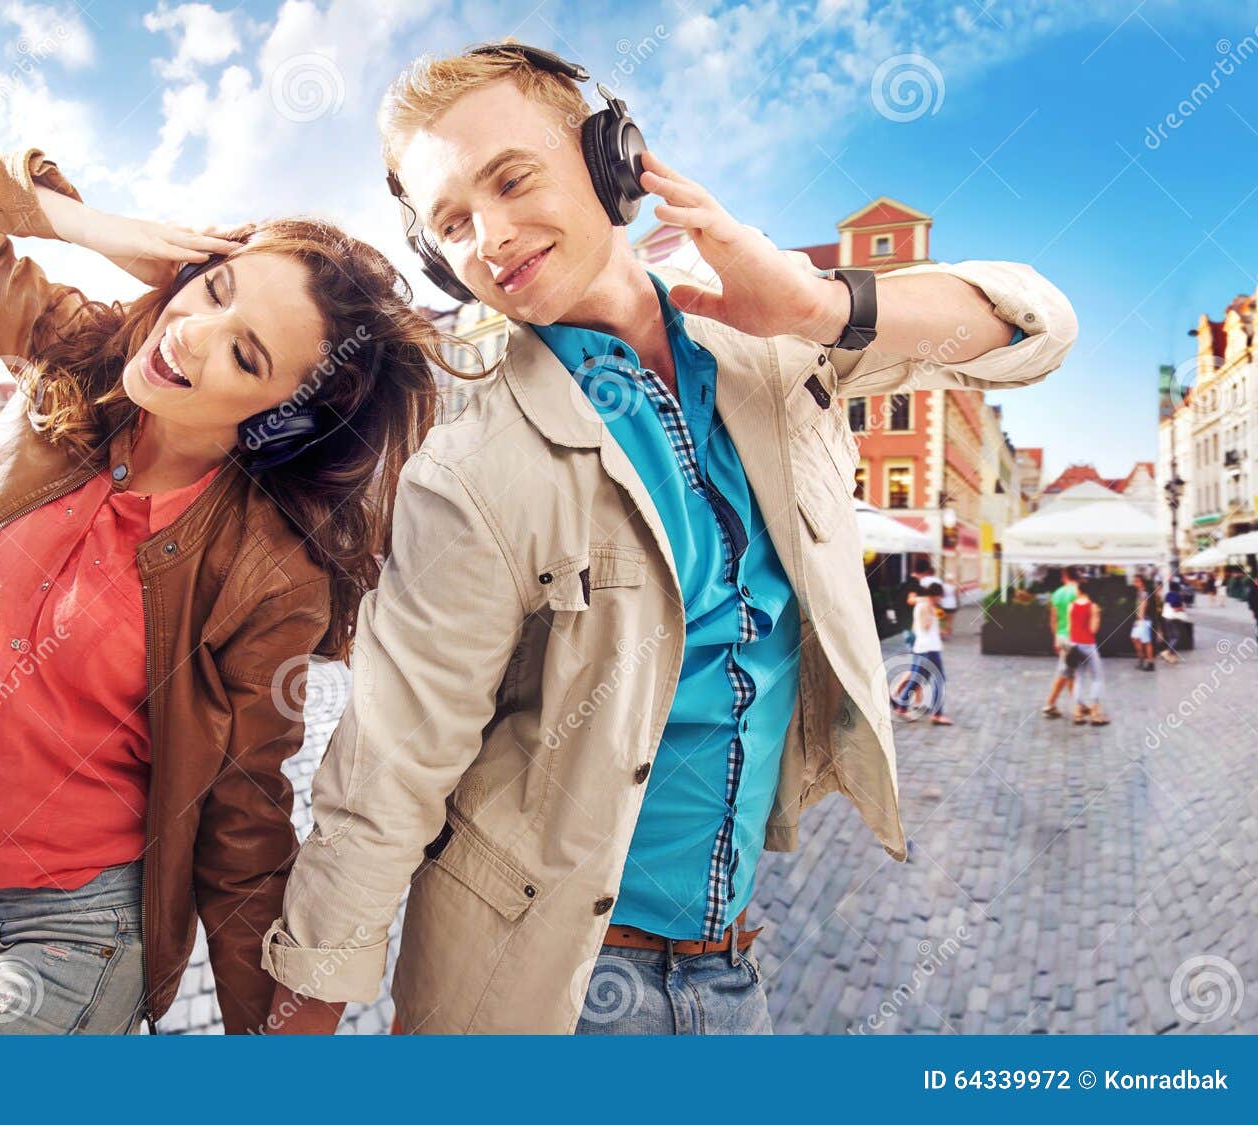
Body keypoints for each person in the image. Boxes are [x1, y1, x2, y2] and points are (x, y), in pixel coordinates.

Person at [261, 41, 1077, 1035]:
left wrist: (819, 303)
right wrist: (299, 1026)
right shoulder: (466, 467)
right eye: (453, 224)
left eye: (512, 179)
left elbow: (1036, 330)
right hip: (548, 988)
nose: (492, 236)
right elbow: (390, 762)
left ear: (615, 161)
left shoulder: (772, 340)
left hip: (731, 969)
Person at [0, 131, 468, 1035]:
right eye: (214, 289)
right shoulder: (76, 359)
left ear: (281, 417)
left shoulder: (270, 570)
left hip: (78, 931)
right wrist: (101, 230)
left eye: (247, 357)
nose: (190, 334)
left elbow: (245, 815)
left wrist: (273, 1034)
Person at [896, 581, 951, 725]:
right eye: (940, 596)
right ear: (936, 595)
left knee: (917, 679)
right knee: (940, 679)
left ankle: (901, 707)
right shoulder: (927, 606)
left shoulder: (921, 604)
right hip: (930, 648)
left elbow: (917, 628)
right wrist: (933, 611)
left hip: (922, 646)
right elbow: (925, 625)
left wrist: (938, 631)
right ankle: (937, 715)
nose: (940, 599)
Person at [1041, 566, 1081, 718]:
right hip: (1073, 636)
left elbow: (1053, 619)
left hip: (1062, 636)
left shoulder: (1057, 594)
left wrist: (1056, 639)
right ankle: (1050, 704)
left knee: (1069, 671)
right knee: (1066, 671)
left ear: (1065, 576)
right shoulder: (1077, 593)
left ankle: (1078, 704)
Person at [1066, 580, 1108, 725]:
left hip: (1074, 644)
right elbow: (1093, 629)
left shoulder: (1070, 606)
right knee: (1097, 677)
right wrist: (1097, 616)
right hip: (1088, 644)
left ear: (1080, 590)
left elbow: (1069, 627)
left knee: (1079, 677)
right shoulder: (1093, 607)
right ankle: (1095, 711)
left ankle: (1078, 711)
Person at [1130, 573, 1159, 670]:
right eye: (1135, 581)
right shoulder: (1140, 592)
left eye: (1136, 581)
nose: (1135, 583)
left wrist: (1139, 620)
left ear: (1142, 582)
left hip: (1143, 620)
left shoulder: (1144, 593)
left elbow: (1143, 607)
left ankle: (1150, 663)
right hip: (1142, 620)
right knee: (1135, 639)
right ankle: (1142, 659)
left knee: (1146, 641)